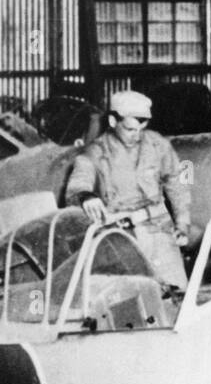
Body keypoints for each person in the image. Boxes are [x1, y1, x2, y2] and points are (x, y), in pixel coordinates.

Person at [65, 90, 192, 289]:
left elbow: (176, 182)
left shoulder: (157, 144)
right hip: (123, 238)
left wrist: (182, 223)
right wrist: (86, 196)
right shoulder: (95, 152)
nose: (137, 135)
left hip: (160, 230)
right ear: (113, 121)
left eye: (142, 128)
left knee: (179, 293)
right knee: (137, 299)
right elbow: (76, 187)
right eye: (131, 129)